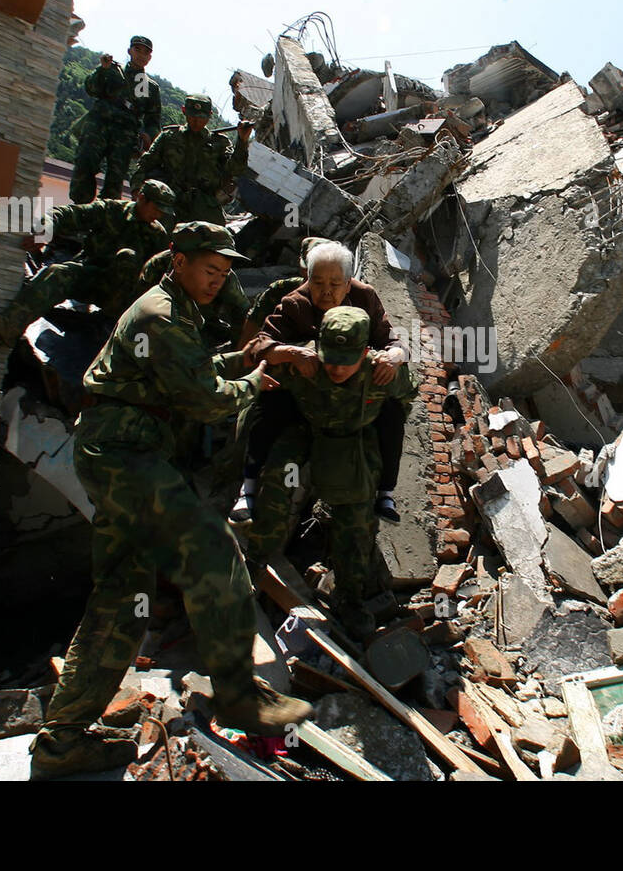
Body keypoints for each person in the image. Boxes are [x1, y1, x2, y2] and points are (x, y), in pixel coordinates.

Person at [28, 221, 310, 780]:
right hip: (126, 456)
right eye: (211, 269)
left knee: (119, 602)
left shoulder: (176, 311)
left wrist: (251, 360)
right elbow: (205, 399)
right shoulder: (160, 314)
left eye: (226, 272)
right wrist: (253, 380)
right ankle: (237, 694)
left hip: (122, 452)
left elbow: (196, 371)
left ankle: (61, 743)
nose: (219, 280)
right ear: (179, 261)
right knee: (216, 553)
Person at [248, 307, 416, 639]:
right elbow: (253, 361)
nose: (336, 367)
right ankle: (253, 566)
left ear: (366, 352)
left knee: (356, 517)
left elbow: (406, 400)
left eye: (346, 359)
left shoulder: (381, 372)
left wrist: (397, 359)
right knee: (279, 481)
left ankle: (349, 598)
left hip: (354, 438)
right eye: (331, 357)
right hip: (306, 430)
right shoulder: (304, 363)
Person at [234, 242, 411, 523]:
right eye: (318, 283)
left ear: (349, 283)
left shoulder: (365, 297)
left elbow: (391, 340)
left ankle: (385, 493)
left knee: (392, 414)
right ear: (308, 279)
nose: (326, 291)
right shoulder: (295, 303)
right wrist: (290, 353)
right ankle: (248, 487)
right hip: (306, 385)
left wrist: (394, 357)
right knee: (269, 405)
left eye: (335, 284)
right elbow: (258, 346)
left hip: (353, 388)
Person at [0, 180, 176, 347]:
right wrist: (46, 230)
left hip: (124, 295)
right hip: (93, 278)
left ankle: (109, 326)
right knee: (57, 272)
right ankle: (4, 330)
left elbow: (158, 274)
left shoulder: (157, 235)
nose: (157, 215)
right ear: (141, 197)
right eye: (156, 208)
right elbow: (65, 214)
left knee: (129, 258)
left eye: (162, 212)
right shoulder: (110, 211)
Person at [131, 94, 252, 230]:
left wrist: (242, 141)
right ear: (183, 111)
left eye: (201, 118)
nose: (196, 121)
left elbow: (236, 170)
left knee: (215, 244)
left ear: (210, 115)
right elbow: (145, 164)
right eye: (192, 116)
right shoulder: (169, 137)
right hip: (169, 204)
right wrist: (136, 190)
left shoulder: (219, 143)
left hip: (204, 206)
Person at [70, 35, 162, 203]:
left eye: (146, 52)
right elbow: (91, 89)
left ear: (150, 57)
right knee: (85, 164)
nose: (141, 55)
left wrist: (148, 136)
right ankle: (80, 208)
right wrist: (102, 70)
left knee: (115, 178)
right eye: (137, 50)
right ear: (129, 51)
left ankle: (106, 218)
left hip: (125, 134)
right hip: (99, 125)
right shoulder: (112, 70)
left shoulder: (150, 87)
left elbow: (153, 120)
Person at [236, 236, 333, 349]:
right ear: (302, 268)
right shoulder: (280, 291)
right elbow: (251, 330)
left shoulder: (340, 295)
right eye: (310, 268)